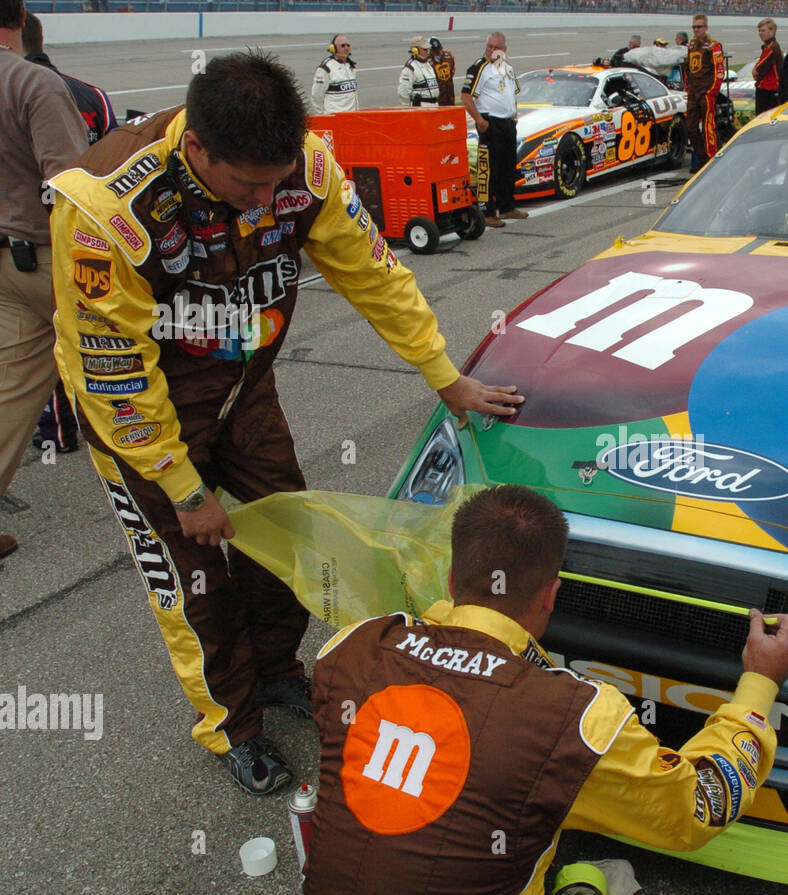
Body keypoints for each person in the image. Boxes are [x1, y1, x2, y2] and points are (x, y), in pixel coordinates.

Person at [46, 52, 521, 795]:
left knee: (285, 539)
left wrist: (445, 376)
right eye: (249, 185)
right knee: (194, 580)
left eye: (278, 180)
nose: (269, 199)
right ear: (197, 148)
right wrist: (183, 487)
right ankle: (229, 726)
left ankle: (274, 672)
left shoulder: (309, 169)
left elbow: (375, 275)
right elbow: (117, 380)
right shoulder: (106, 211)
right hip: (142, 415)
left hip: (245, 386)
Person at [303, 485, 788, 895]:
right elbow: (699, 804)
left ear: (454, 579)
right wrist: (760, 681)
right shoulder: (576, 722)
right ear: (551, 594)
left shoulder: (353, 647)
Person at [0, 0, 88, 562]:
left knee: (10, 397)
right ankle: (179, 497)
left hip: (6, 265)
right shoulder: (33, 82)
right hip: (46, 260)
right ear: (21, 15)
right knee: (137, 362)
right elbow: (75, 188)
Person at [22, 9, 116, 457]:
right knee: (91, 336)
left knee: (46, 340)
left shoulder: (15, 89)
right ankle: (113, 422)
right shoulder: (91, 94)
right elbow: (114, 161)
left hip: (35, 239)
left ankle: (58, 431)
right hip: (90, 235)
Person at [463, 32, 526, 228]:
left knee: (507, 167)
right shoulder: (480, 67)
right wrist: (479, 120)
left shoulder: (508, 68)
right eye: (489, 46)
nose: (491, 50)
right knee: (488, 170)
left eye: (495, 47)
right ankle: (487, 211)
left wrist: (513, 115)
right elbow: (466, 96)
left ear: (504, 50)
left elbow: (511, 93)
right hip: (490, 123)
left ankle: (507, 207)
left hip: (507, 124)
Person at [684, 13, 725, 171]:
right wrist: (688, 87)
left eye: (699, 27)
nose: (696, 30)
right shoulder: (691, 45)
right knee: (691, 127)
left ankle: (712, 161)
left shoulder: (714, 45)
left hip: (706, 93)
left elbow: (719, 72)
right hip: (693, 93)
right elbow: (687, 69)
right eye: (694, 27)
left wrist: (712, 91)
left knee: (708, 128)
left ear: (706, 27)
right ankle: (702, 159)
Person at [311, 34, 358, 114]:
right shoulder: (326, 68)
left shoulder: (351, 66)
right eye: (342, 46)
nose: (346, 48)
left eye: (348, 45)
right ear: (333, 48)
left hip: (352, 117)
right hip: (334, 117)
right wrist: (322, 116)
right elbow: (316, 96)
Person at [753, 17, 783, 114]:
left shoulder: (772, 48)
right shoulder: (767, 47)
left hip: (769, 91)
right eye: (759, 31)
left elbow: (757, 70)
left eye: (763, 30)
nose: (761, 33)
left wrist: (755, 70)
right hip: (766, 90)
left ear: (772, 31)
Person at [397, 36, 439, 106]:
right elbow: (403, 92)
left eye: (427, 49)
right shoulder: (410, 68)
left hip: (434, 106)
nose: (427, 51)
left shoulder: (428, 65)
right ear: (415, 50)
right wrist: (409, 109)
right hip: (420, 108)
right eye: (424, 49)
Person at [428, 37, 456, 107]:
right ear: (430, 50)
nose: (439, 52)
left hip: (450, 96)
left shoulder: (449, 56)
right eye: (435, 50)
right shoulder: (427, 61)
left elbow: (452, 72)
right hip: (437, 98)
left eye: (439, 49)